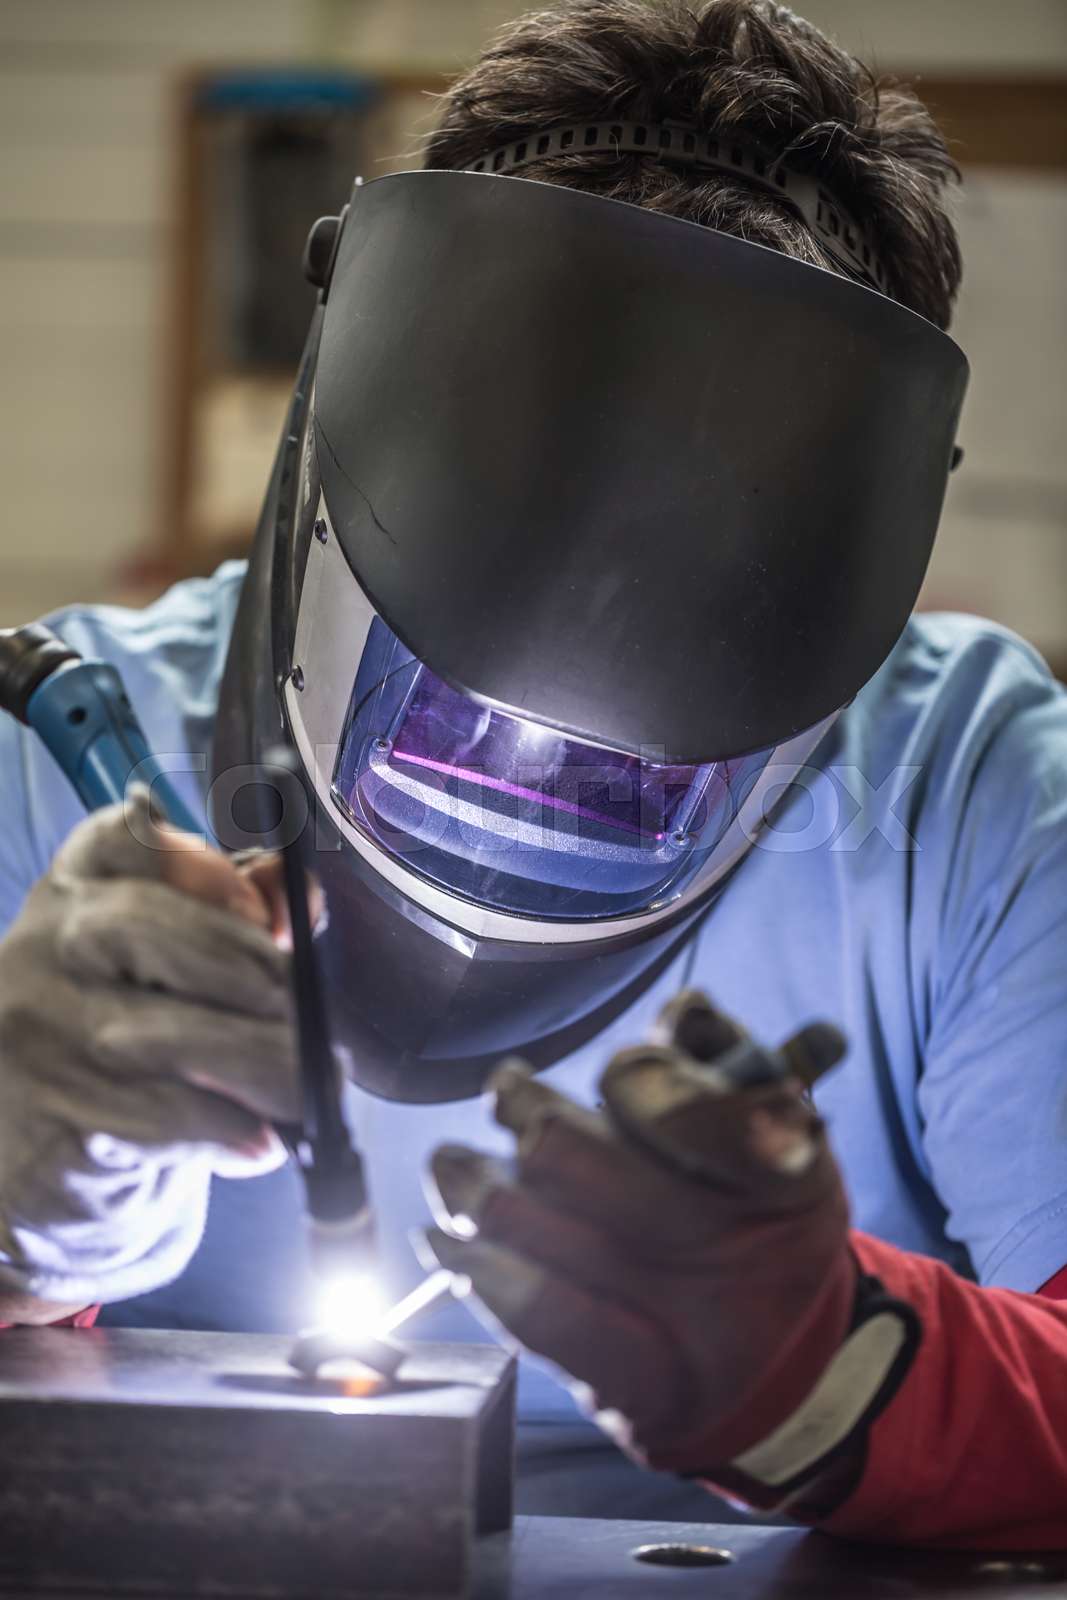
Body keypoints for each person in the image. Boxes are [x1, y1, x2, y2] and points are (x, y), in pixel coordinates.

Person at [1, 0, 1066, 1550]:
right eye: (447, 700)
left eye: (629, 771)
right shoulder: (62, 758)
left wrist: (830, 1366)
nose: (521, 778)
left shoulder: (970, 787)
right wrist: (20, 1239)